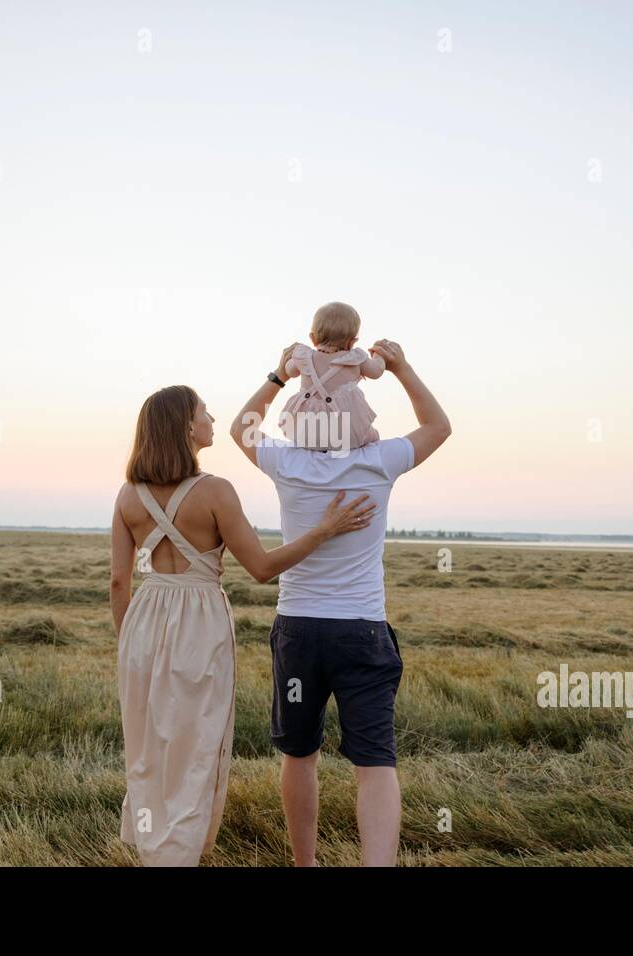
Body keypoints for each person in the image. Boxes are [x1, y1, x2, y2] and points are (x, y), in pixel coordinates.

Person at [109, 384, 377, 866]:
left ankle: (154, 846)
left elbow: (117, 581)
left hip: (142, 622)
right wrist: (324, 530)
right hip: (198, 622)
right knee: (196, 747)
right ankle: (176, 855)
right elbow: (262, 567)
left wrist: (127, 643)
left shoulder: (128, 496)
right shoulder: (214, 491)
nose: (212, 418)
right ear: (186, 428)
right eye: (204, 412)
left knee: (149, 745)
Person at [229, 339, 452, 866]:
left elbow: (241, 425)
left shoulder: (287, 463)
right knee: (375, 762)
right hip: (362, 632)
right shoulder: (379, 461)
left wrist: (280, 374)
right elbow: (438, 427)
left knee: (299, 755)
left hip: (301, 631)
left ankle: (304, 864)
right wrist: (399, 367)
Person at [276, 301, 385, 452]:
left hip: (307, 432)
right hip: (347, 432)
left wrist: (289, 361)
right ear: (352, 341)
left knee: (305, 433)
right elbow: (376, 372)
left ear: (312, 338)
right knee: (371, 435)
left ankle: (313, 446)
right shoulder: (356, 358)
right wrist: (379, 355)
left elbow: (289, 371)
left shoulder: (304, 356)